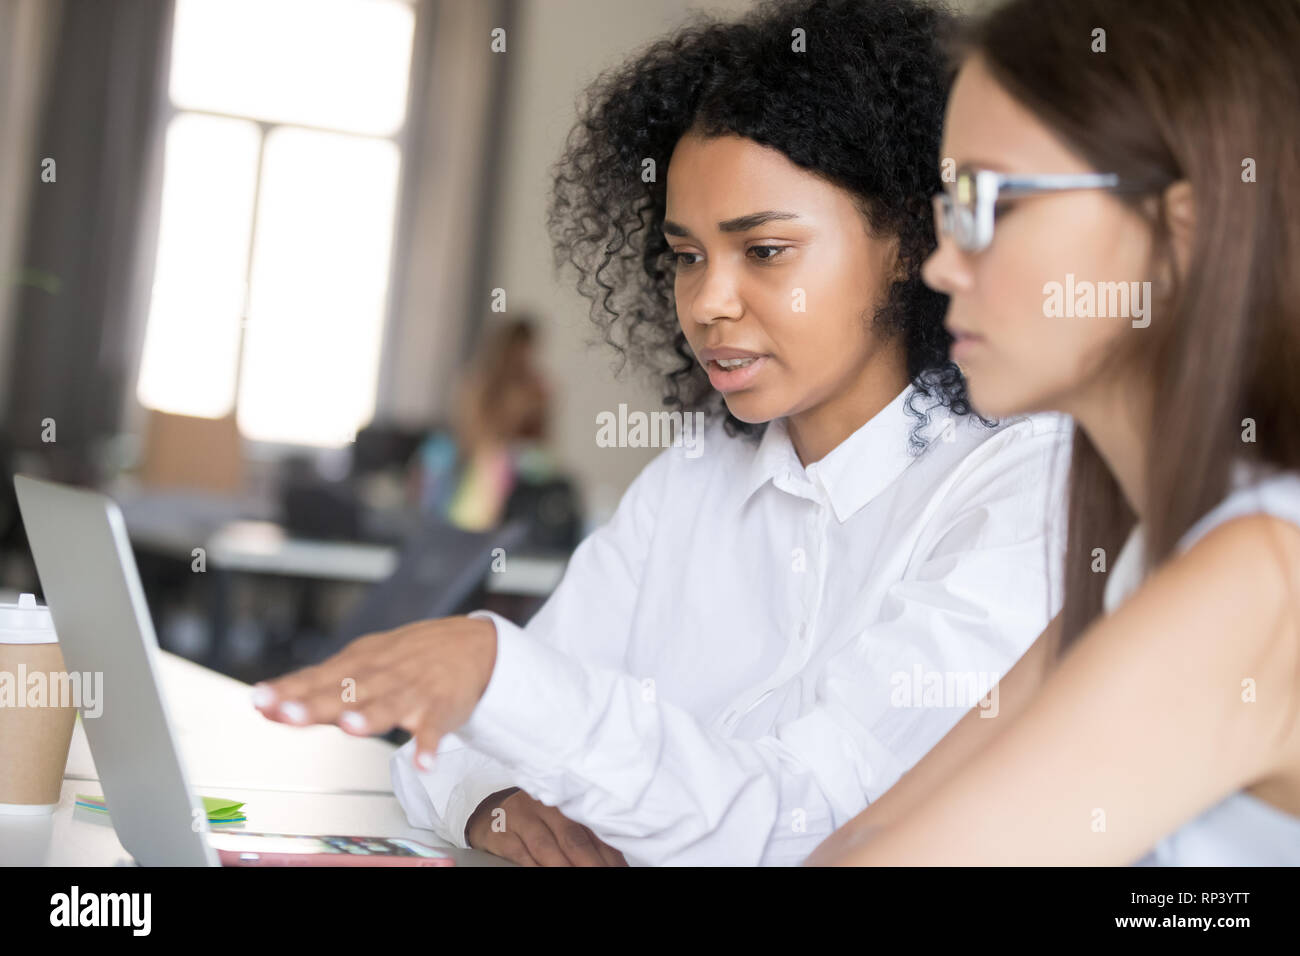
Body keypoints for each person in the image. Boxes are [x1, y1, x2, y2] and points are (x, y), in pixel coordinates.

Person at [251, 0, 1071, 866]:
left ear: (910, 240)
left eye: (764, 252)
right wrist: (490, 798)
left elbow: (813, 821)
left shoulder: (1022, 490)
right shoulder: (694, 478)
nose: (708, 303)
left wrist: (500, 678)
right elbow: (465, 743)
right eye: (687, 256)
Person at [808, 0, 1300, 866]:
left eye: (990, 199)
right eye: (948, 203)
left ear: (1179, 229)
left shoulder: (1264, 575)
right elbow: (866, 840)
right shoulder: (1140, 551)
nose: (939, 263)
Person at [408, 317, 560, 532]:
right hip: (473, 473)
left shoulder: (535, 388)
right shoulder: (479, 384)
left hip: (499, 476)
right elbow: (466, 432)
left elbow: (541, 450)